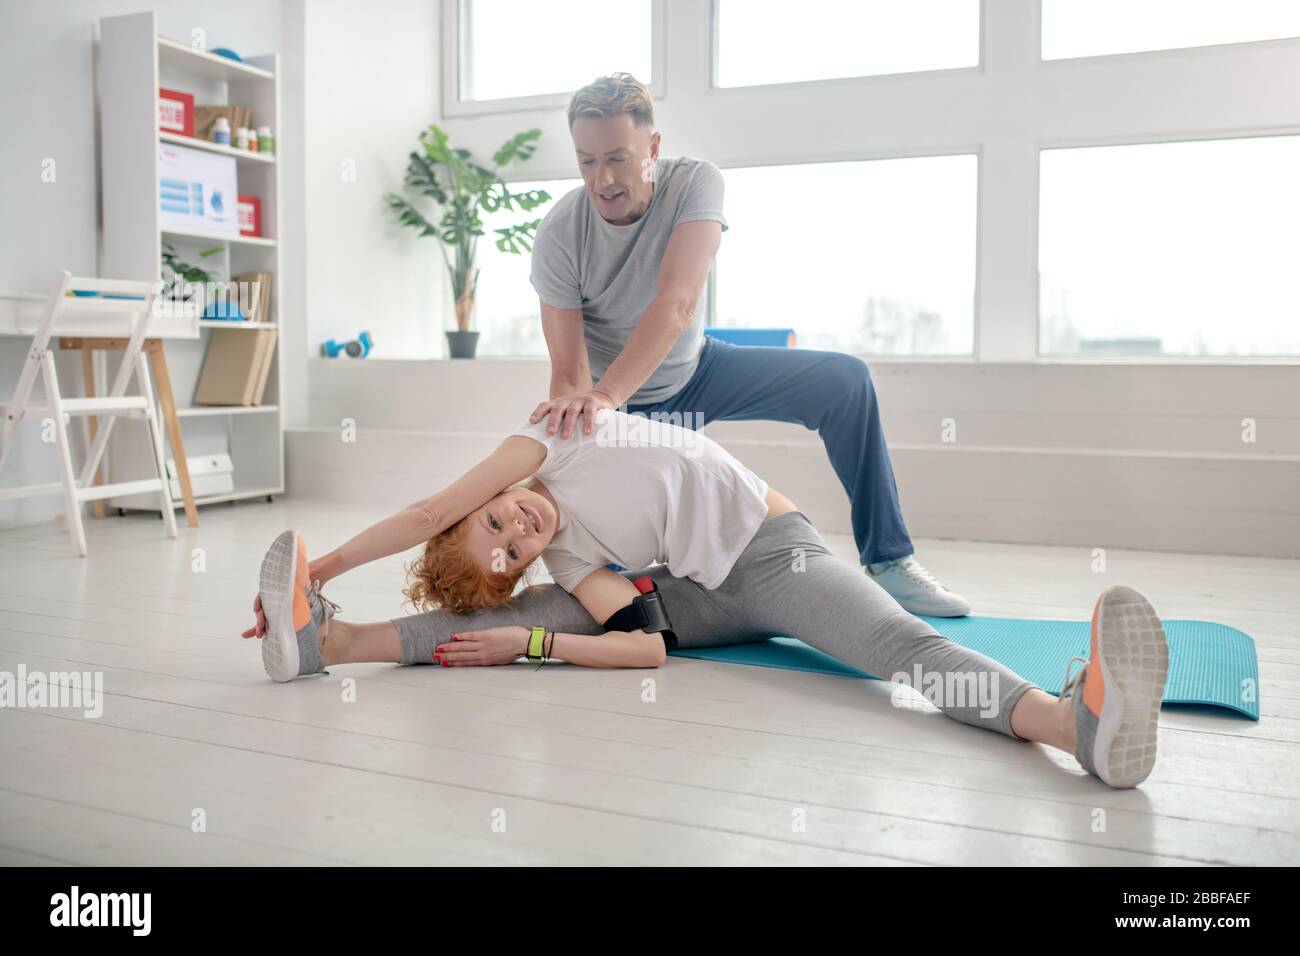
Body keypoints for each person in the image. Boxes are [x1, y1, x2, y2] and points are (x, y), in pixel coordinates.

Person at [244, 408, 1170, 789]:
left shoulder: (549, 436)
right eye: (511, 548)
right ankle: (327, 643)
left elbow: (426, 509)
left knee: (899, 646)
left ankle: (1069, 725)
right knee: (512, 625)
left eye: (495, 524)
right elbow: (646, 648)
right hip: (690, 599)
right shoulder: (568, 564)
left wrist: (318, 562)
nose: (517, 529)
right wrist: (538, 644)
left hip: (775, 559)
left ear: (481, 502)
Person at [523, 72, 968, 616]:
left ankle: (889, 562)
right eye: (587, 161)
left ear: (653, 148)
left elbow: (677, 303)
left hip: (693, 371)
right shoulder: (561, 233)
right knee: (617, 549)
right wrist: (597, 414)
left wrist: (605, 394)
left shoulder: (695, 183)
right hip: (624, 413)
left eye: (618, 157)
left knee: (844, 382)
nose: (604, 179)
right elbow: (569, 377)